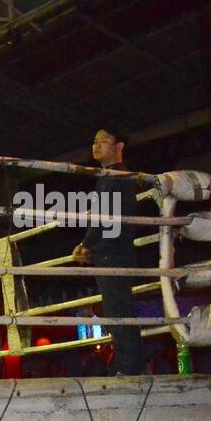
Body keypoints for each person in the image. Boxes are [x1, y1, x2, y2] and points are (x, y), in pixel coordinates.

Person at [71, 128, 146, 375]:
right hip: (112, 252)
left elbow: (107, 218)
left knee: (118, 311)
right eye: (95, 141)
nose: (97, 145)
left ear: (119, 147)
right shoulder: (109, 177)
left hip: (114, 253)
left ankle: (129, 365)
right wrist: (89, 244)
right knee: (117, 309)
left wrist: (87, 245)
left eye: (104, 141)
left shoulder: (117, 177)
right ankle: (128, 363)